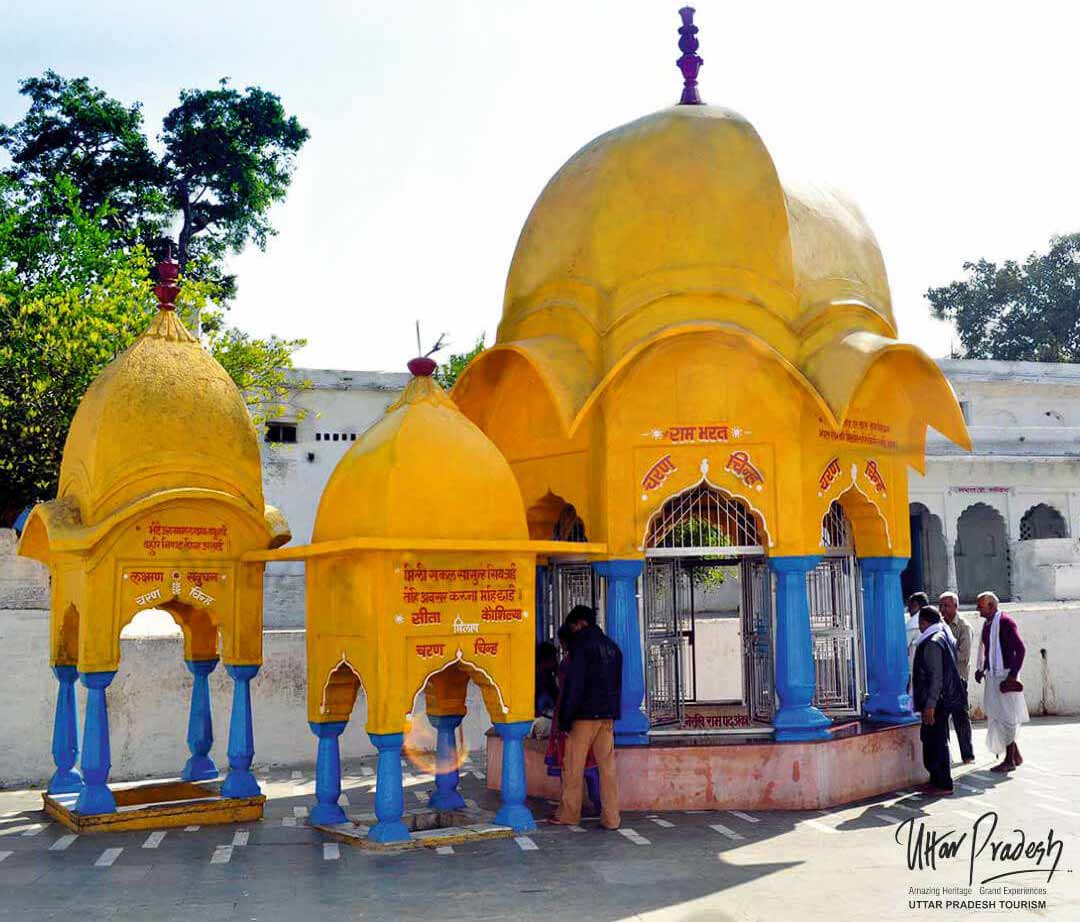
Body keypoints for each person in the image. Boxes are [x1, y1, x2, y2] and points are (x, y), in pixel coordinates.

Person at [551, 604, 622, 830]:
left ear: (581, 623)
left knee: (572, 767)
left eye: (573, 625)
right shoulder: (612, 647)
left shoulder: (580, 647)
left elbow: (575, 686)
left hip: (583, 716)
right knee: (607, 769)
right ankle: (612, 818)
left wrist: (565, 719)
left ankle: (569, 814)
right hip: (607, 716)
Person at [543, 626, 602, 816]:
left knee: (570, 767)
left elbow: (571, 692)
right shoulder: (591, 658)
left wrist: (565, 720)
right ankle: (599, 806)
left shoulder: (572, 662)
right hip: (590, 715)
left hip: (572, 716)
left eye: (563, 642)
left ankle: (570, 810)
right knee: (591, 766)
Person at [911, 604, 964, 796]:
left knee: (936, 741)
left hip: (936, 702)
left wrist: (930, 705)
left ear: (923, 622)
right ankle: (936, 779)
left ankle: (943, 783)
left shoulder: (932, 642)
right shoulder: (942, 635)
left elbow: (936, 677)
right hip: (941, 700)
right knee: (932, 739)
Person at [974, 591, 1029, 773]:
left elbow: (1020, 649)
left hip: (1005, 675)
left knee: (1007, 718)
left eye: (980, 606)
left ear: (991, 606)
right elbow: (989, 650)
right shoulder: (988, 625)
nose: (977, 609)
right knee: (996, 715)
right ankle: (1016, 755)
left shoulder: (1005, 622)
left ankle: (1009, 760)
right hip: (993, 675)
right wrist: (982, 670)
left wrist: (1012, 676)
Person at [938, 591, 975, 764]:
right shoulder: (938, 626)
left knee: (961, 718)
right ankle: (947, 756)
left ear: (955, 606)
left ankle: (967, 755)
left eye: (946, 605)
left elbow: (963, 655)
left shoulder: (963, 627)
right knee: (942, 719)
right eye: (941, 605)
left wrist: (942, 658)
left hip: (958, 680)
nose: (943, 609)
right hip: (942, 681)